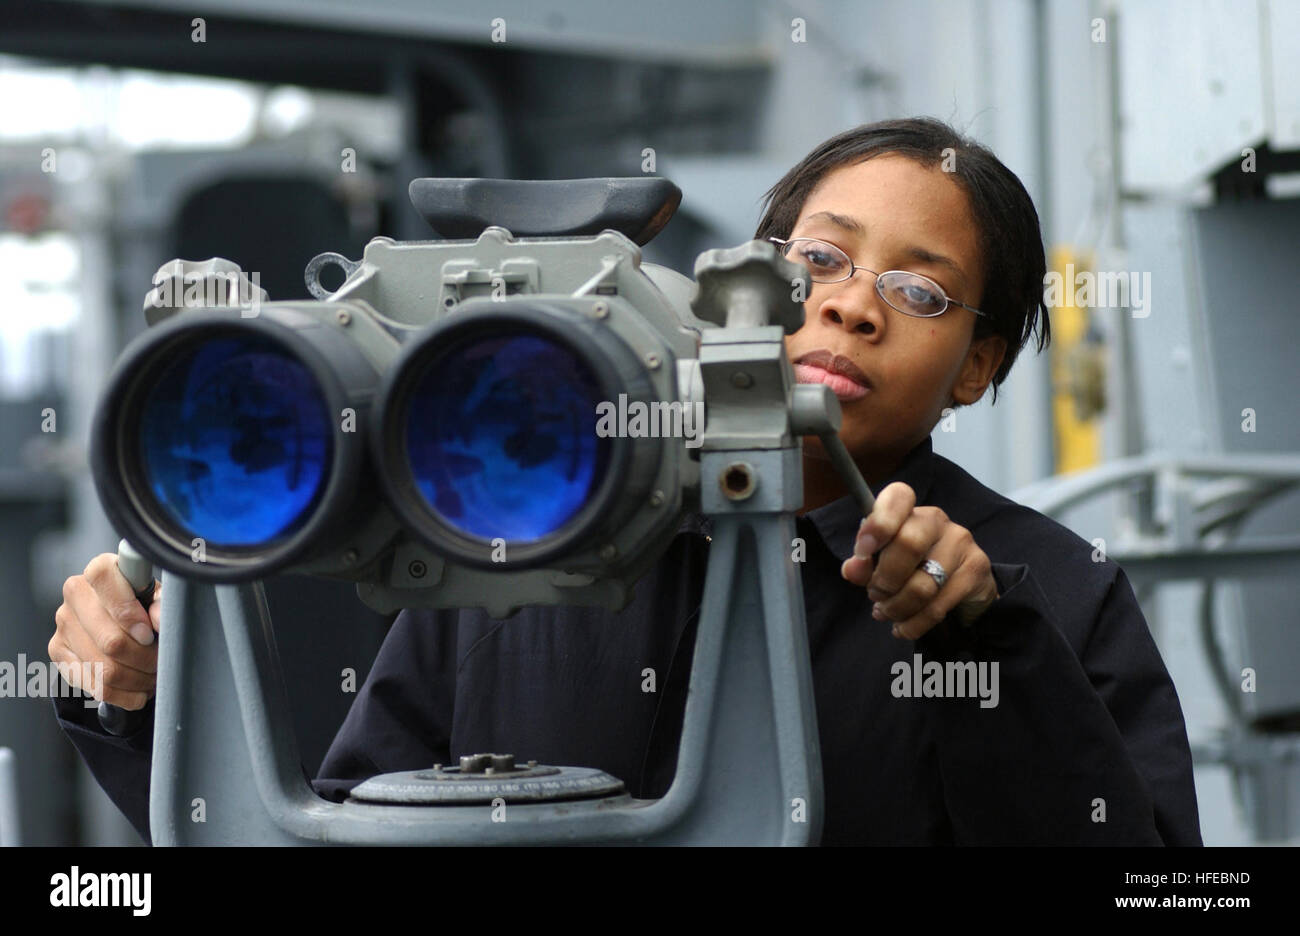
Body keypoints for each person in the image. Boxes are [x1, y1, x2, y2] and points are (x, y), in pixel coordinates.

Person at [49, 117, 1202, 845]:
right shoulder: (510, 532)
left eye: (918, 291)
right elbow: (342, 823)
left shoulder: (1045, 590)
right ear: (737, 294)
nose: (851, 302)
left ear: (978, 369)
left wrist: (980, 644)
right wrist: (142, 696)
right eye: (819, 259)